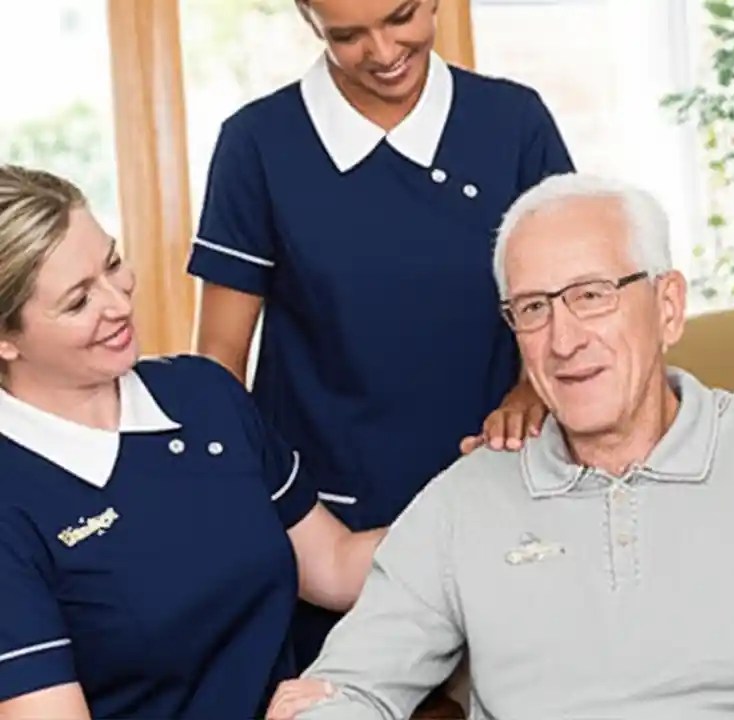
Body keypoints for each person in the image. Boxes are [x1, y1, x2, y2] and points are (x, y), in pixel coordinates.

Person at [263, 173, 734, 720]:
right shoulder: (467, 498)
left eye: (592, 295)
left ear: (668, 306)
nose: (564, 339)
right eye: (533, 308)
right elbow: (348, 687)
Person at [186, 0, 574, 667]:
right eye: (347, 35)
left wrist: (531, 390)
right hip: (328, 516)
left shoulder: (513, 123)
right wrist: (236, 502)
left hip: (500, 485)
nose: (384, 51)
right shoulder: (257, 144)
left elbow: (569, 294)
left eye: (401, 17)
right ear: (309, 19)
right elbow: (221, 356)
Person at [0, 165, 384, 719]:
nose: (118, 304)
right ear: (6, 341)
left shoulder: (202, 395)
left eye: (112, 263)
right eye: (79, 301)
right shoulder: (12, 499)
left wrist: (480, 507)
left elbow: (334, 565)